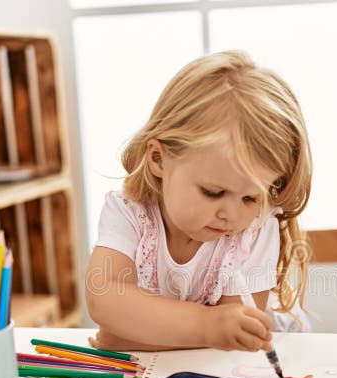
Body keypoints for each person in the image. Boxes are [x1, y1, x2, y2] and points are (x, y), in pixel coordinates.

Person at [86, 51, 312, 352]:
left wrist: (132, 333)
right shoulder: (128, 213)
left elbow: (232, 339)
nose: (231, 215)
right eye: (212, 192)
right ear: (158, 159)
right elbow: (104, 300)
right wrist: (207, 326)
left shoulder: (256, 228)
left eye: (251, 197)